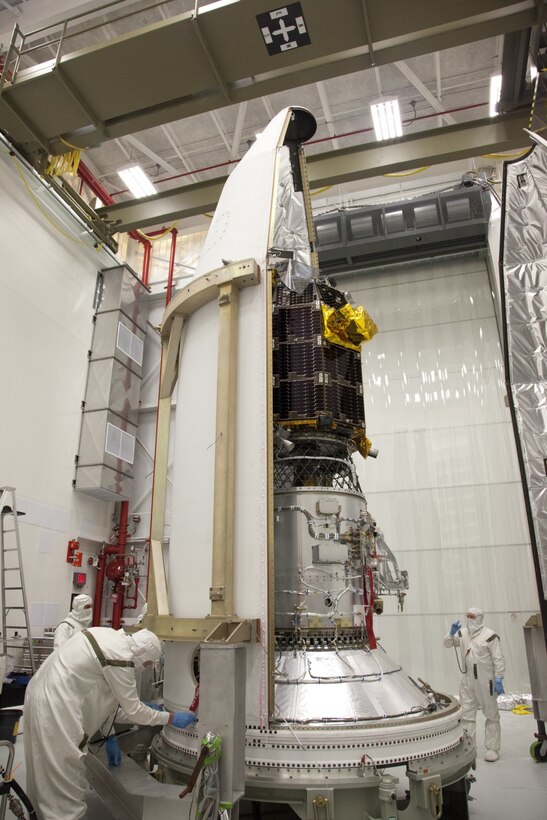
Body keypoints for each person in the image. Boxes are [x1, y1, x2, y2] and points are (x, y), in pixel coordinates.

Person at [24, 627, 197, 820]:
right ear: (141, 653)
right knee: (65, 780)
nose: (145, 667)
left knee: (43, 774)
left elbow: (103, 701)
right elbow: (136, 712)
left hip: (40, 697)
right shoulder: (122, 657)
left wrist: (110, 735)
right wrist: (172, 717)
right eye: (147, 663)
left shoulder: (108, 637)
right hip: (57, 710)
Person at [444, 606, 505, 762]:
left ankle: (492, 748)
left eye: (472, 616)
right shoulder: (463, 633)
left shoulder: (490, 636)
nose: (469, 619)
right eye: (468, 616)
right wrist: (451, 632)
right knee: (467, 714)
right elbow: (448, 644)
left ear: (479, 618)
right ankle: (469, 747)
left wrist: (499, 678)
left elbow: (498, 659)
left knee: (491, 714)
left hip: (486, 680)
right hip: (467, 679)